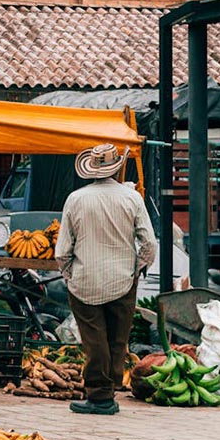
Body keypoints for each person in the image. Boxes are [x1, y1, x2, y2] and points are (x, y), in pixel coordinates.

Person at [55, 143, 156, 415]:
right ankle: (108, 392)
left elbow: (62, 250)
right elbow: (148, 243)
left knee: (94, 339)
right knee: (117, 340)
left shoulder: (75, 199)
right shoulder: (131, 198)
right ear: (118, 167)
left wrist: (69, 276)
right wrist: (137, 269)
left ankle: (99, 396)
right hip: (122, 280)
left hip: (84, 280)